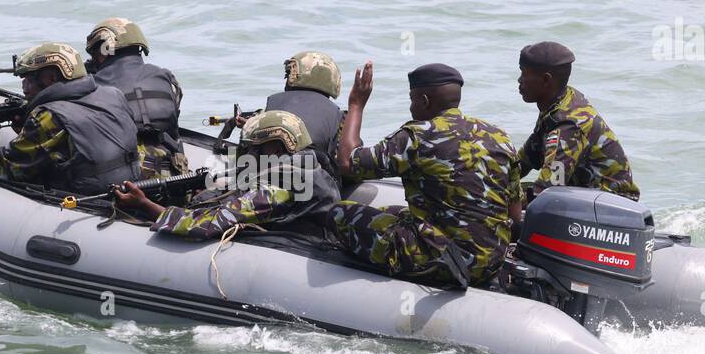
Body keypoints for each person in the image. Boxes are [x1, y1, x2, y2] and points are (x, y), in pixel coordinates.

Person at [330, 61, 521, 288]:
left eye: (412, 101)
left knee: (340, 212)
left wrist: (356, 104)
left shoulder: (417, 137)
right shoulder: (499, 136)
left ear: (424, 101)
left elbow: (347, 161)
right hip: (491, 260)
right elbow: (515, 215)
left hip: (447, 261)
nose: (411, 108)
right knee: (393, 212)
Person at [0, 42, 139, 195]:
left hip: (84, 195)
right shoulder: (112, 94)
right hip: (127, 185)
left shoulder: (49, 117)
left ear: (51, 77)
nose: (23, 87)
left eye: (28, 79)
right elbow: (87, 141)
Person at [114, 110, 339, 241]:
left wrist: (145, 205)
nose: (248, 155)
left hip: (302, 254)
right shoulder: (311, 166)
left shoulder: (282, 185)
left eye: (254, 148)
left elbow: (210, 223)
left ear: (278, 149)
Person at [516, 41, 640, 202]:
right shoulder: (558, 104)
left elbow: (547, 191)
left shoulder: (569, 125)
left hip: (611, 206)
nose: (520, 80)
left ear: (546, 81)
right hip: (586, 197)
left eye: (524, 74)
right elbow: (522, 162)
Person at [85, 17, 188, 179]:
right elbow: (174, 128)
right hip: (175, 174)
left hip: (128, 180)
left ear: (102, 53)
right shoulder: (166, 77)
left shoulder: (93, 85)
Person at [249, 51, 345, 179]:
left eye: (288, 74)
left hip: (265, 177)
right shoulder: (337, 115)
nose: (286, 79)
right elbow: (345, 162)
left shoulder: (274, 102)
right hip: (312, 185)